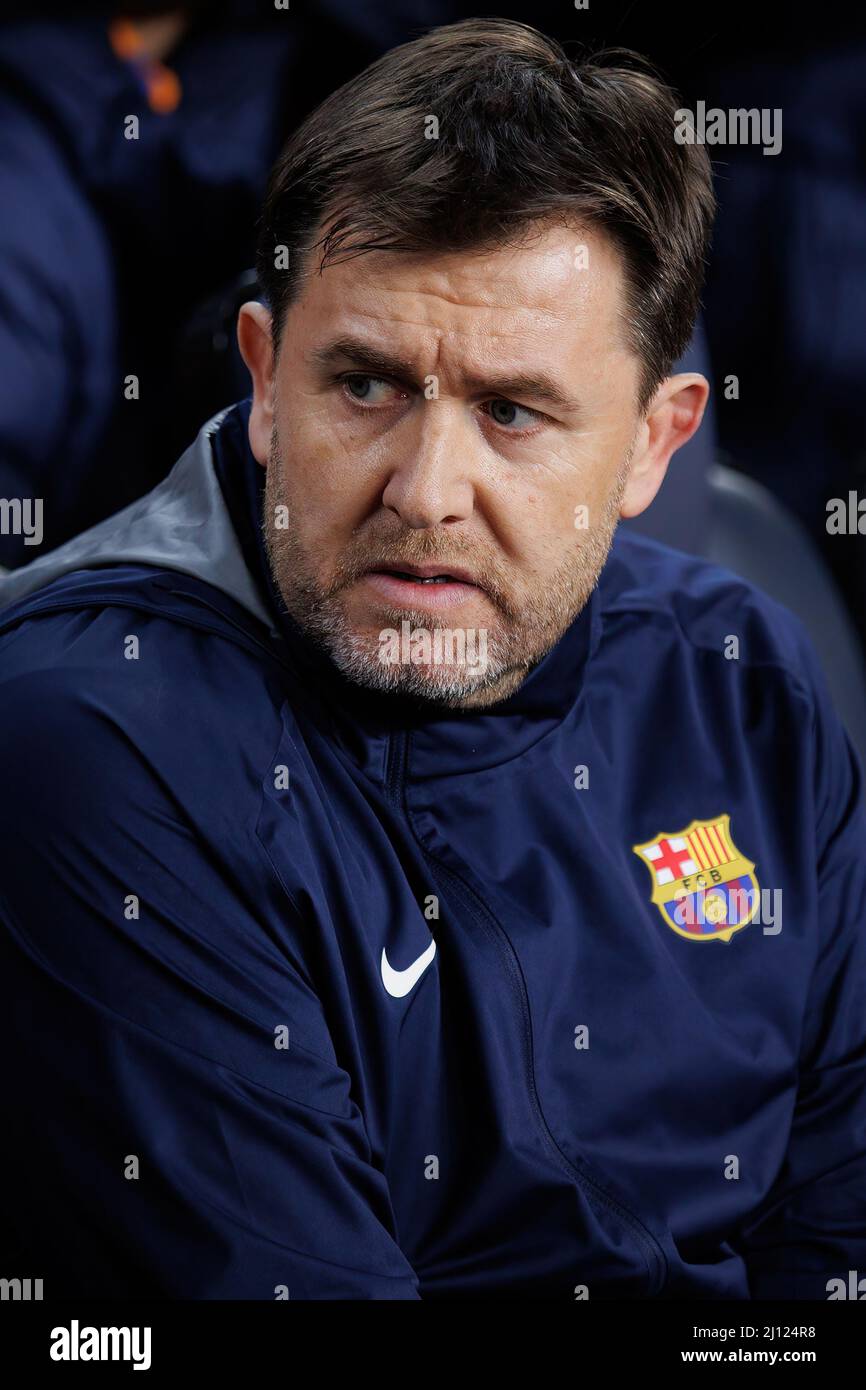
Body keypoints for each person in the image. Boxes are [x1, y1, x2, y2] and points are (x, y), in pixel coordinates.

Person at [0, 17, 864, 1300]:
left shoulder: (743, 682)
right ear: (261, 380)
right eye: (363, 386)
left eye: (511, 412)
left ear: (651, 443)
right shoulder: (92, 740)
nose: (426, 489)